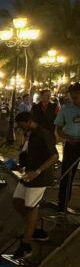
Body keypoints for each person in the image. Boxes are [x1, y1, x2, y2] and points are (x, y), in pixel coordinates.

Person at [14, 111, 58, 256]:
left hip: (39, 177)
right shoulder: (30, 134)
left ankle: (26, 245)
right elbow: (24, 153)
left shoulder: (43, 134)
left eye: (22, 126)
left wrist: (38, 171)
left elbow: (54, 156)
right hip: (29, 174)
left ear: (29, 122)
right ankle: (36, 228)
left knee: (31, 207)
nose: (21, 129)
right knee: (17, 201)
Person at [54, 82, 80, 214]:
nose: (76, 100)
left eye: (77, 97)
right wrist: (67, 137)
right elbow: (58, 128)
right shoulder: (66, 109)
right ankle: (62, 204)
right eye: (73, 97)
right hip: (71, 144)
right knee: (67, 173)